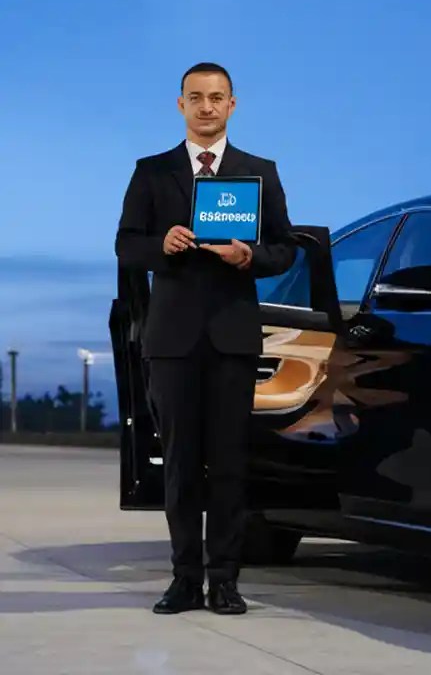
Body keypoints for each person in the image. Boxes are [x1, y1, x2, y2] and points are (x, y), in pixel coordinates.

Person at [114, 62, 296, 615]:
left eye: (217, 97)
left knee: (230, 465)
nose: (207, 107)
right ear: (181, 105)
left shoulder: (259, 172)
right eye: (196, 97)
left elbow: (285, 248)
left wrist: (250, 256)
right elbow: (125, 245)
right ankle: (184, 578)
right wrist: (159, 244)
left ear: (233, 105)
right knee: (181, 466)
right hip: (171, 340)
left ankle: (225, 581)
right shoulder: (152, 171)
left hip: (233, 339)